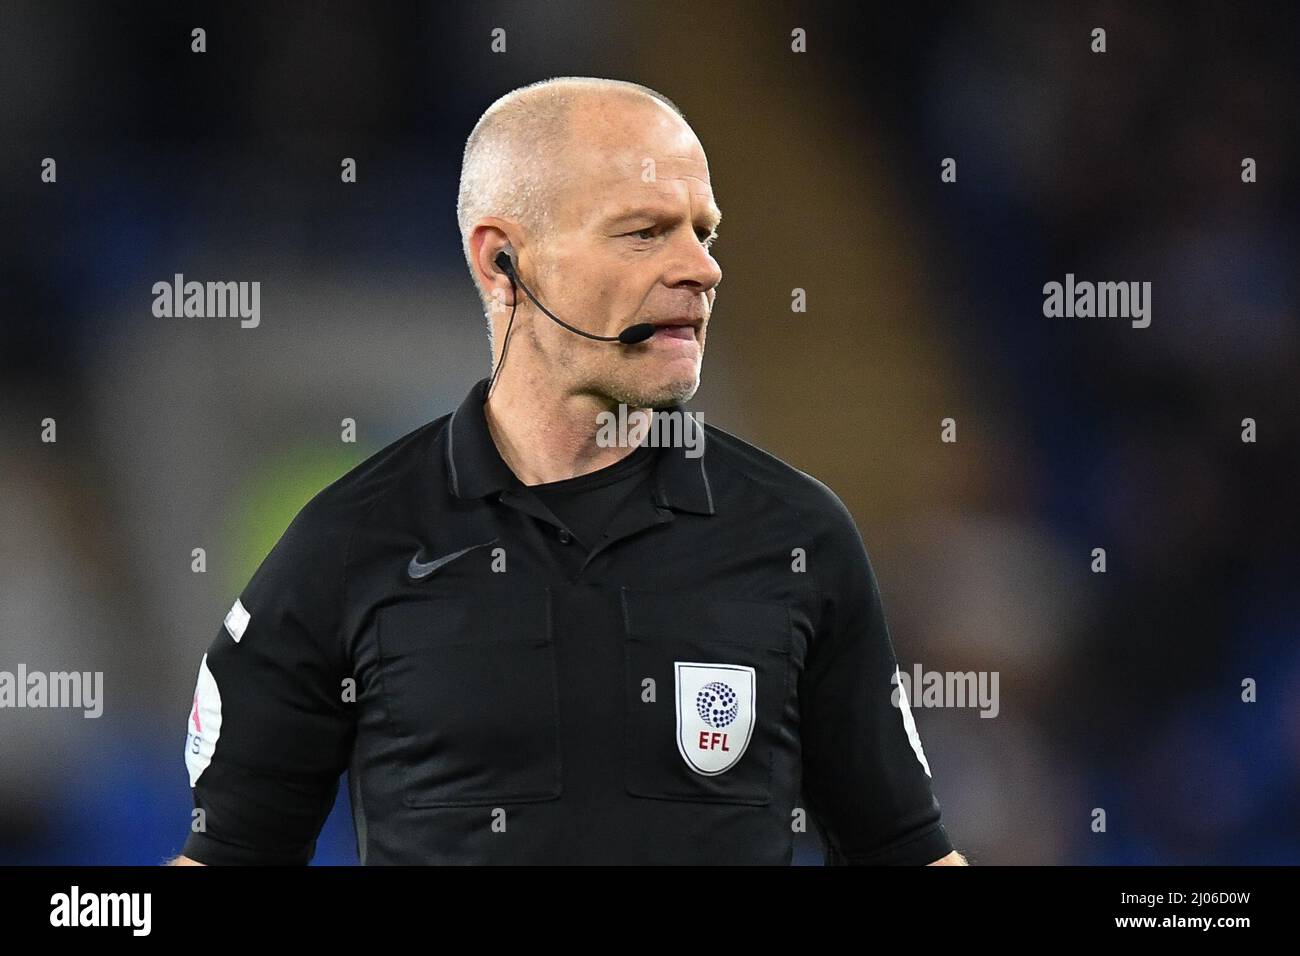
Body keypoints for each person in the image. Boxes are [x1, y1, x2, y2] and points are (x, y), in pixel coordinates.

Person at [170, 76, 966, 866]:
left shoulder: (797, 536)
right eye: (645, 232)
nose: (702, 268)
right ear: (503, 261)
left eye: (704, 232)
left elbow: (904, 851)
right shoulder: (350, 542)